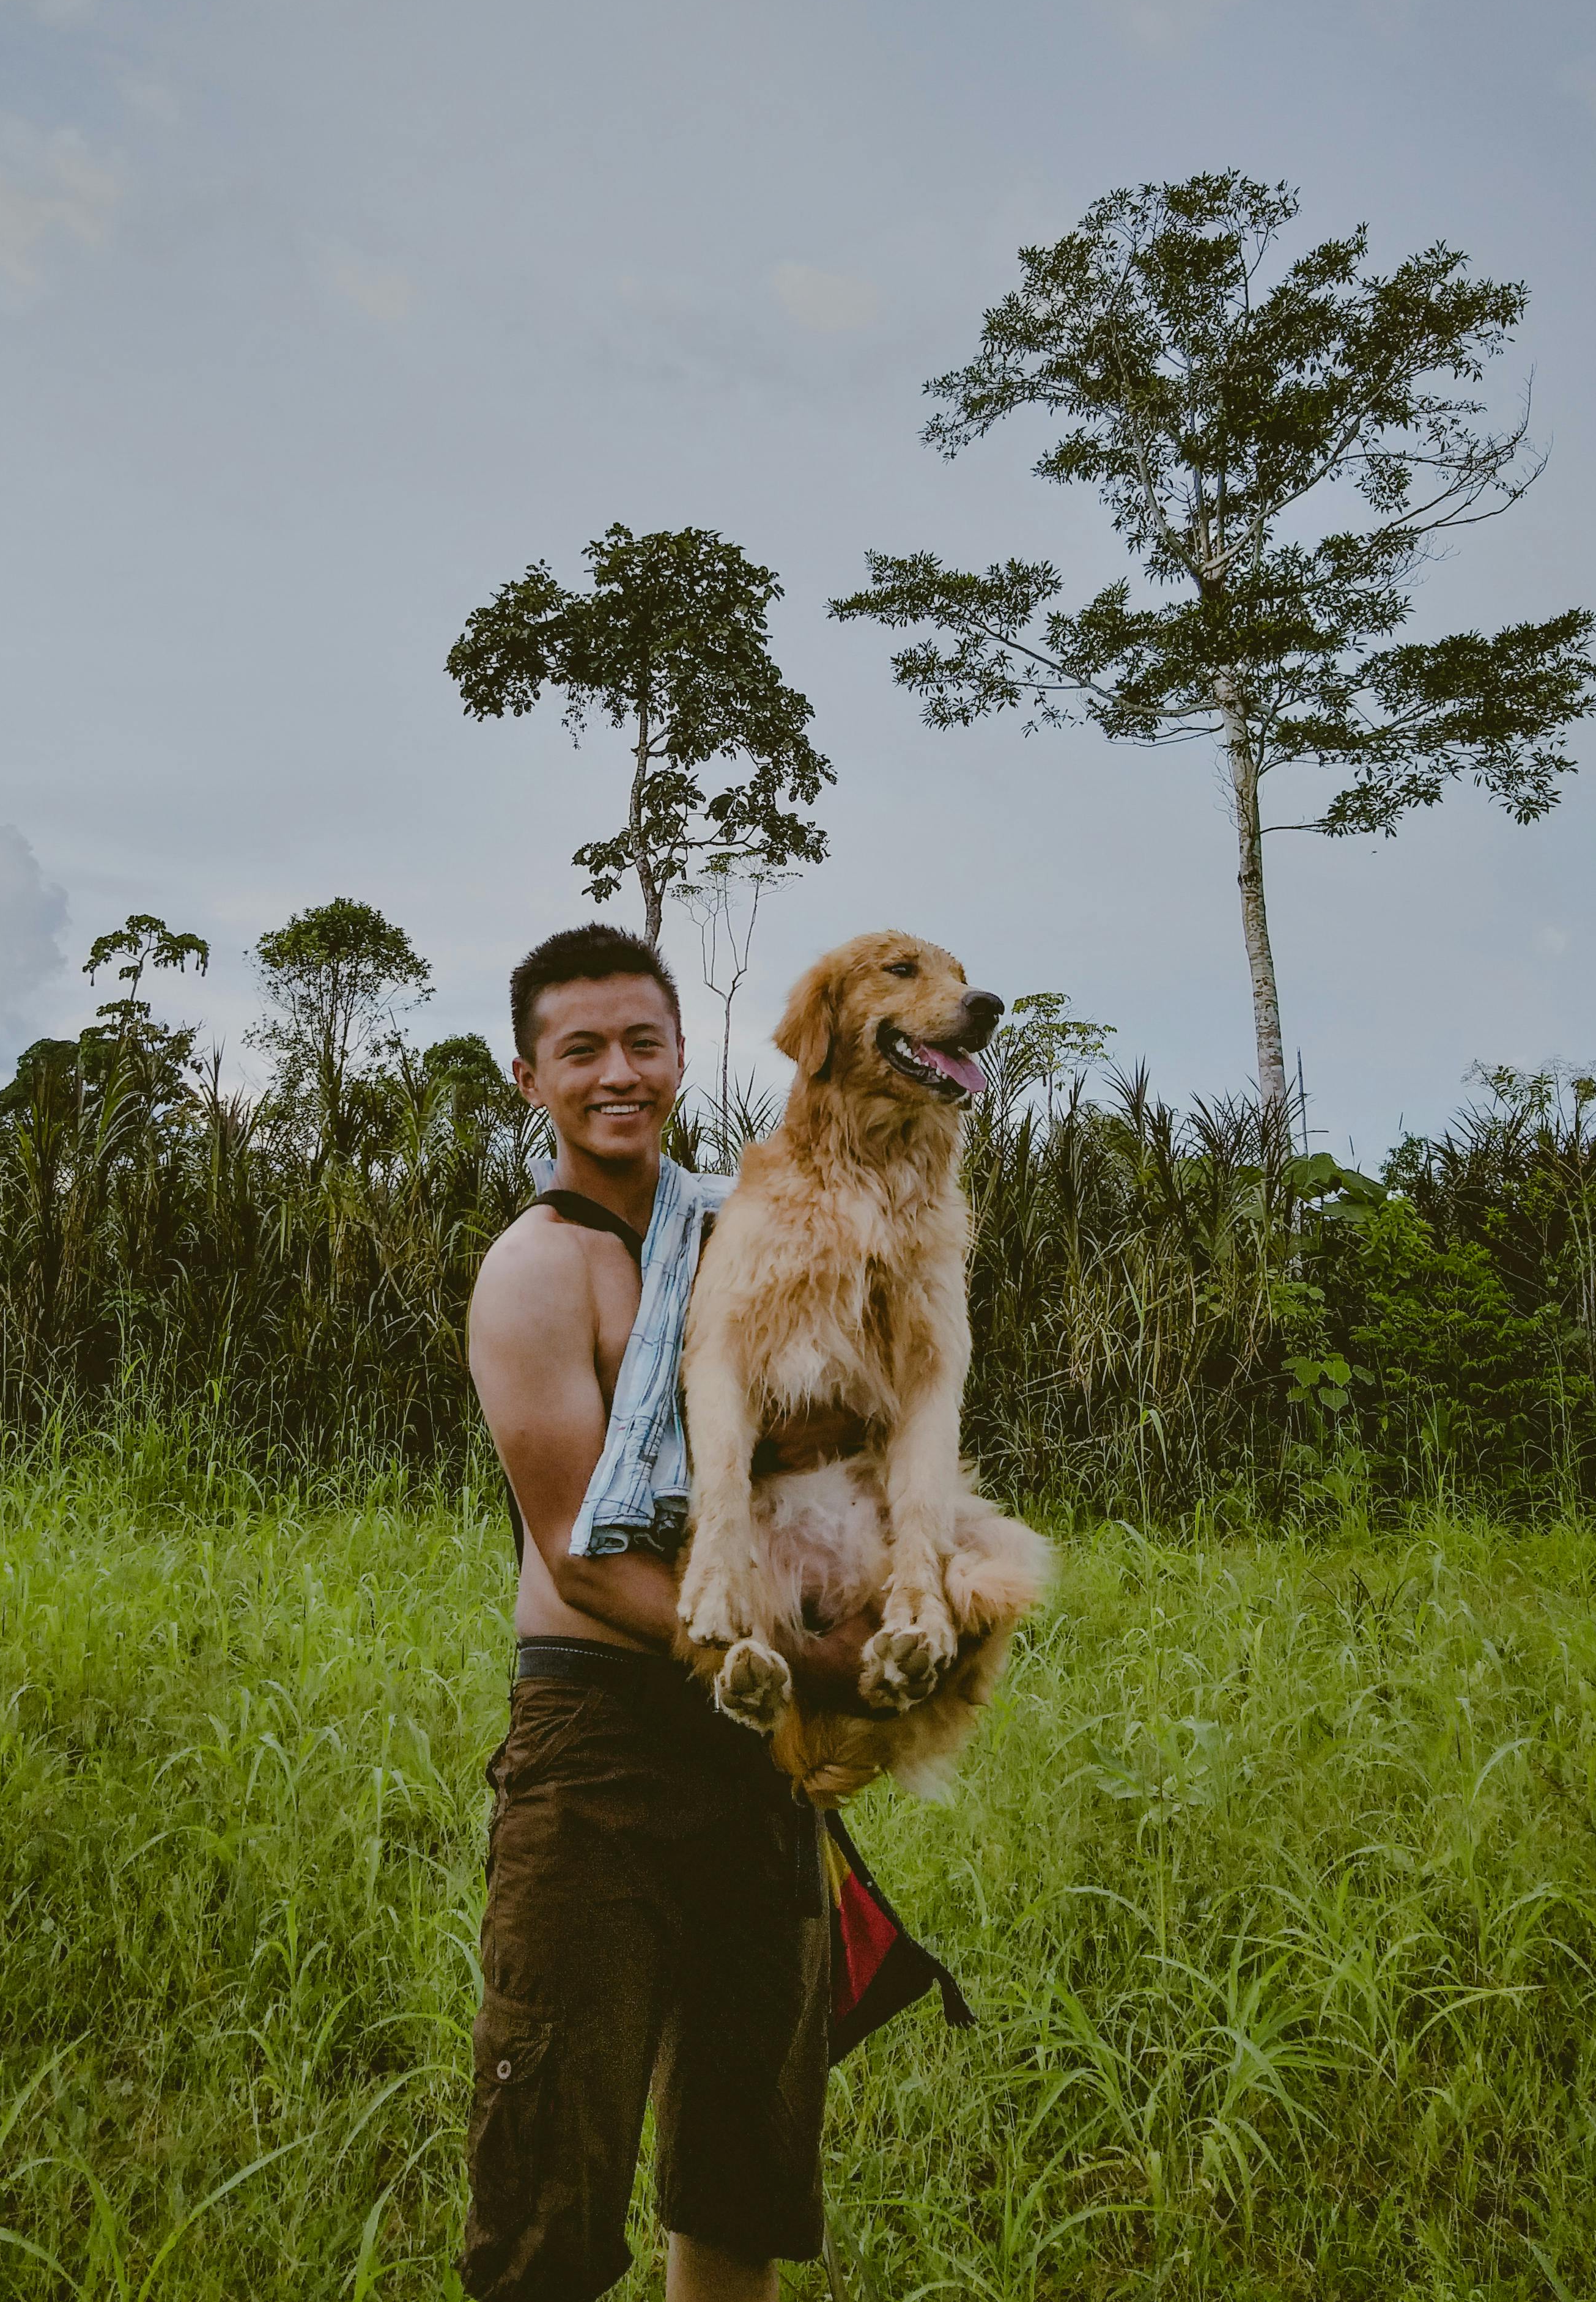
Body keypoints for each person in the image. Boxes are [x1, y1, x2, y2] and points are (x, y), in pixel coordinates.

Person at [460, 921, 878, 2302]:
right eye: (581, 1050)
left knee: (742, 2165)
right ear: (529, 1077)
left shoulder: (734, 1240)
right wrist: (799, 1658)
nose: (618, 1074)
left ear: (683, 1054)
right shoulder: (539, 1270)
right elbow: (583, 1559)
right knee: (549, 2168)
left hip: (749, 1745)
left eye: (643, 1043)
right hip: (600, 1750)